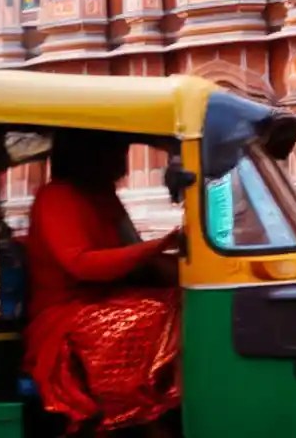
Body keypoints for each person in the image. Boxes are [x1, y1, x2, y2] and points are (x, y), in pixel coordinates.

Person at [23, 130, 183, 436]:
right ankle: (138, 414)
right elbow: (83, 265)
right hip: (64, 315)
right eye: (114, 151)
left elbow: (132, 254)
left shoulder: (103, 196)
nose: (120, 160)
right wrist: (157, 247)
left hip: (105, 298)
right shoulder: (57, 196)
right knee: (155, 316)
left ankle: (167, 410)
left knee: (182, 301)